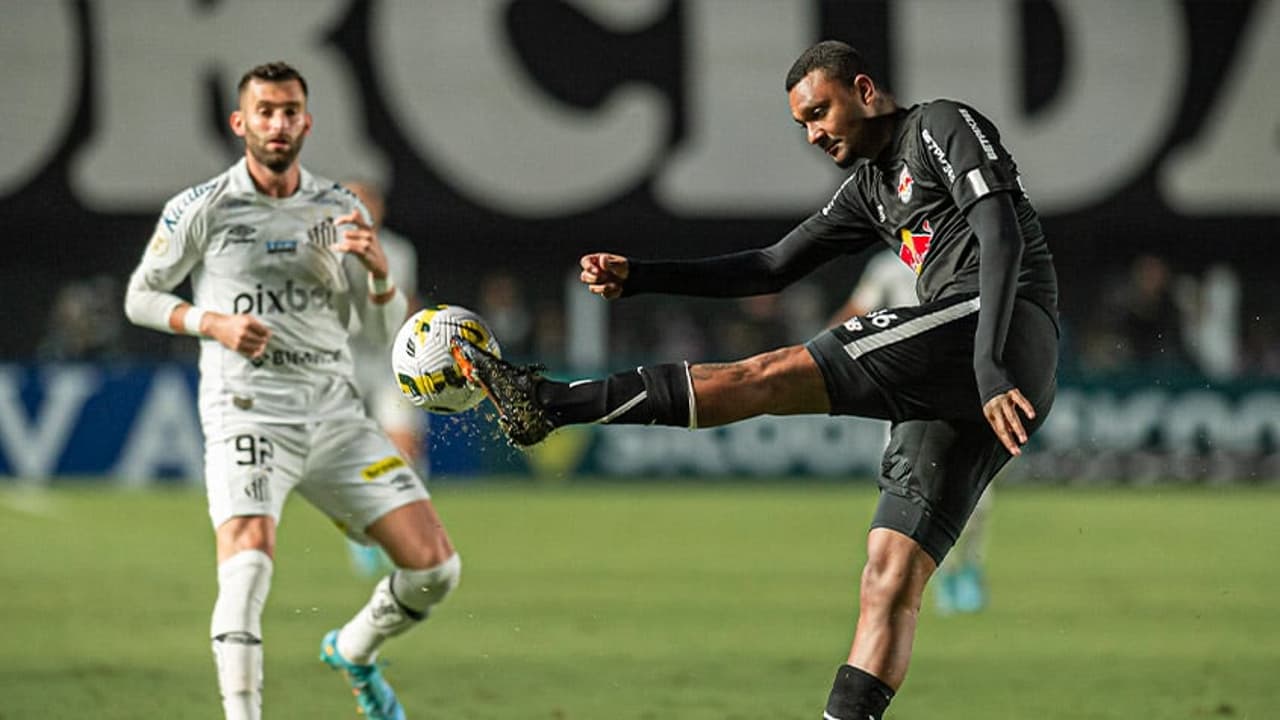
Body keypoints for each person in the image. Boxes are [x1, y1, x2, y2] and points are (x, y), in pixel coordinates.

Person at [453, 40, 1058, 719]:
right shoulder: (869, 189)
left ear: (864, 90)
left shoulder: (939, 125)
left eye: (820, 111)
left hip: (994, 330)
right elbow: (771, 267)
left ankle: (550, 401)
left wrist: (989, 365)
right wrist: (646, 277)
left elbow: (1000, 231)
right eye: (802, 123)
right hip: (965, 368)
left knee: (767, 375)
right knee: (888, 577)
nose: (814, 133)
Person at [124, 62, 459, 720]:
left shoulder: (342, 208)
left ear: (307, 122)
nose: (278, 123)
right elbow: (140, 295)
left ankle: (356, 650)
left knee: (437, 569)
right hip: (247, 414)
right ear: (240, 123)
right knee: (247, 564)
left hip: (334, 414)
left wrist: (380, 275)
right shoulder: (201, 208)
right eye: (265, 111)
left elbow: (385, 329)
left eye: (289, 111)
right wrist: (209, 321)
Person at [830, 249, 994, 615]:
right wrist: (821, 350)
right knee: (915, 497)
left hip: (963, 390)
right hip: (907, 398)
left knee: (979, 501)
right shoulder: (887, 267)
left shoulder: (966, 258)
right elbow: (859, 310)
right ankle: (945, 576)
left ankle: (970, 568)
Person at [343, 179, 426, 578]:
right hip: (342, 362)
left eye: (364, 199)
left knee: (404, 450)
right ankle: (361, 528)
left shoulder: (397, 251)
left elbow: (404, 302)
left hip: (390, 359)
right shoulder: (326, 251)